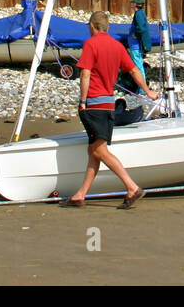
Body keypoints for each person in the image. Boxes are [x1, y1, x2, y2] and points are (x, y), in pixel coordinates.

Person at [62, 11, 159, 209]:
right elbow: (133, 70)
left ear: (91, 26)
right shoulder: (117, 46)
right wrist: (147, 91)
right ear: (108, 27)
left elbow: (85, 74)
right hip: (108, 103)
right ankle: (80, 195)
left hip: (95, 103)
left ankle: (132, 187)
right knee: (94, 150)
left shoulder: (91, 44)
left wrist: (82, 100)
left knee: (99, 150)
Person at [127, 0, 153, 79]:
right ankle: (140, 87)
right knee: (138, 65)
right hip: (135, 45)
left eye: (133, 2)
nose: (131, 3)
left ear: (135, 4)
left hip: (136, 46)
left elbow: (142, 28)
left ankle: (141, 89)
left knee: (138, 67)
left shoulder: (139, 14)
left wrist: (136, 35)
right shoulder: (140, 13)